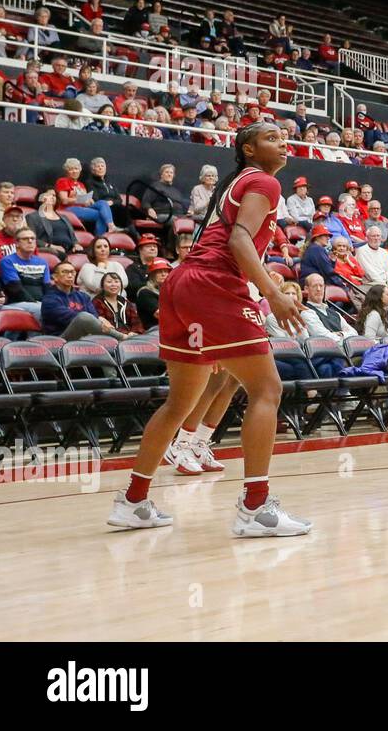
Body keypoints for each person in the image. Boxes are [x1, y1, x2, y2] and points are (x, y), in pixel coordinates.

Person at [105, 123, 310, 537]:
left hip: (183, 283)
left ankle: (134, 501)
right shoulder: (263, 181)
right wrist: (272, 292)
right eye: (271, 137)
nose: (282, 142)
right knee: (267, 390)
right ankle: (255, 508)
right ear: (249, 149)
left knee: (180, 405)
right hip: (213, 284)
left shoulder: (239, 183)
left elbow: (231, 240)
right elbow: (238, 241)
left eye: (283, 136)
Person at [42, 260, 129, 341]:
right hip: (60, 339)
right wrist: (97, 320)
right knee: (84, 317)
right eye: (65, 272)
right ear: (55, 277)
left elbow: (94, 316)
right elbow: (74, 318)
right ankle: (121, 337)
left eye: (72, 272)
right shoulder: (49, 299)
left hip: (86, 336)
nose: (70, 275)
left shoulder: (83, 296)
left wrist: (98, 319)